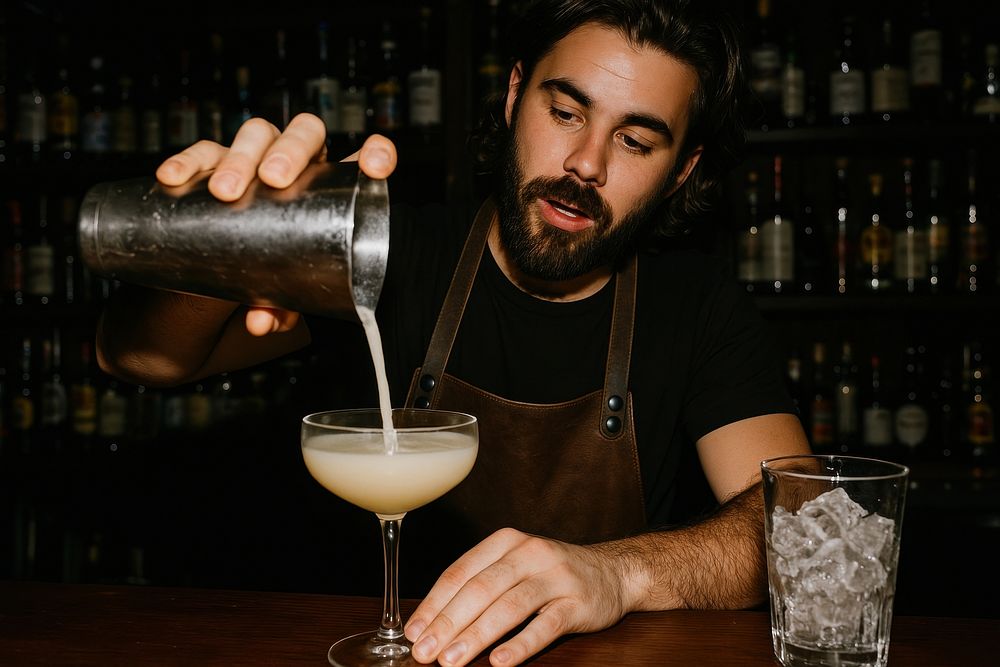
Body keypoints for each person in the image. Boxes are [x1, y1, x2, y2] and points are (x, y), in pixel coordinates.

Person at [96, 1, 811, 665]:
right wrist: (220, 231)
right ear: (513, 97)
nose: (586, 164)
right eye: (565, 111)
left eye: (634, 140)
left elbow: (804, 521)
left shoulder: (695, 302)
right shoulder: (393, 253)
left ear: (681, 171)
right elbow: (144, 357)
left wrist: (619, 573)